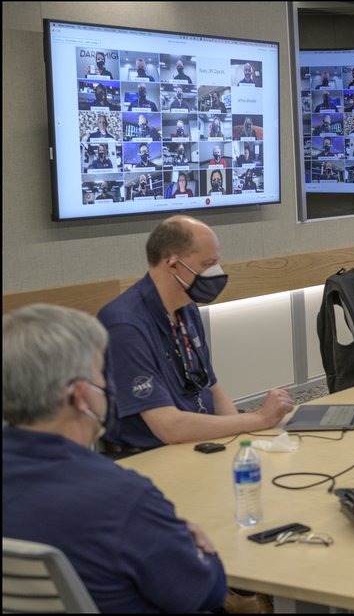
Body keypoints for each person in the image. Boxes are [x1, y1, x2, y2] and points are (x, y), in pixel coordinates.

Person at [2, 304, 229, 613]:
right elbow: (209, 593)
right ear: (80, 396)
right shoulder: (124, 498)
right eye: (101, 376)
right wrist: (203, 547)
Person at [96, 216, 293, 450]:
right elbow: (168, 427)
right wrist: (259, 419)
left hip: (197, 442)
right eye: (207, 264)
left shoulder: (186, 308)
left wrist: (243, 443)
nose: (215, 273)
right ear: (173, 264)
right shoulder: (124, 325)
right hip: (150, 455)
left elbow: (211, 386)